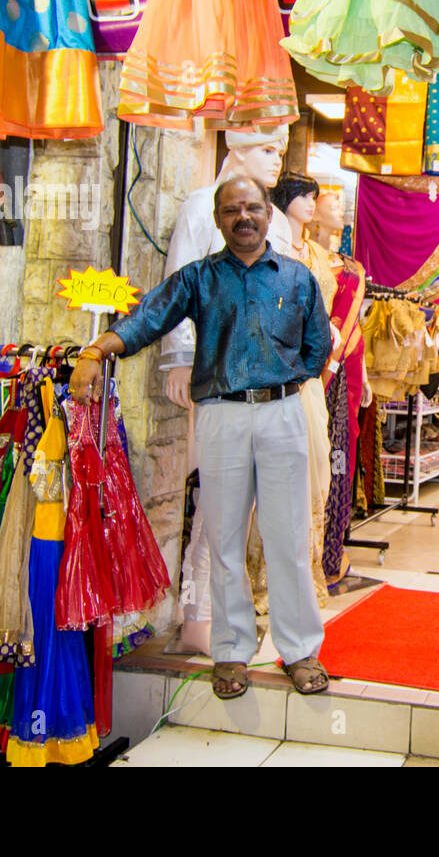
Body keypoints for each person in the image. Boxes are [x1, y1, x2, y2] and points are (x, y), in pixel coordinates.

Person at [68, 176, 333, 698]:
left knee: (288, 538)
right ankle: (231, 653)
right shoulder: (198, 279)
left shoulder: (298, 278)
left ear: (267, 215)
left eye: (252, 207)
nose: (244, 217)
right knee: (225, 539)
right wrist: (96, 350)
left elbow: (317, 346)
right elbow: (147, 318)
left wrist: (281, 383)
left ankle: (300, 651)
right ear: (218, 220)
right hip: (221, 417)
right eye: (232, 210)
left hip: (282, 413)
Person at [162, 127, 291, 655]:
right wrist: (180, 356)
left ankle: (221, 615)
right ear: (234, 148)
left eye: (281, 151)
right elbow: (180, 282)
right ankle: (200, 616)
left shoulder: (276, 222)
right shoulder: (201, 208)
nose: (276, 161)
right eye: (266, 149)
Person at [270, 172, 361, 594]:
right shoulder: (274, 249)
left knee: (320, 465)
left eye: (315, 197)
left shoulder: (320, 257)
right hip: (284, 366)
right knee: (283, 469)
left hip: (320, 368)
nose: (314, 204)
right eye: (306, 197)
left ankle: (309, 566)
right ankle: (270, 573)